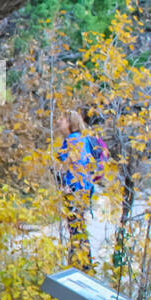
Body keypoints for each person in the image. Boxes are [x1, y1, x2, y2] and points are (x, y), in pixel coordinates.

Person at [55, 111, 100, 269]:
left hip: (76, 190)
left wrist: (69, 187)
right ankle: (85, 264)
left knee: (75, 228)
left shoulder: (74, 140)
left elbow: (77, 165)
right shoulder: (82, 138)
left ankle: (80, 266)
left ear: (69, 122)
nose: (58, 121)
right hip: (86, 189)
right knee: (79, 227)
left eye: (62, 119)